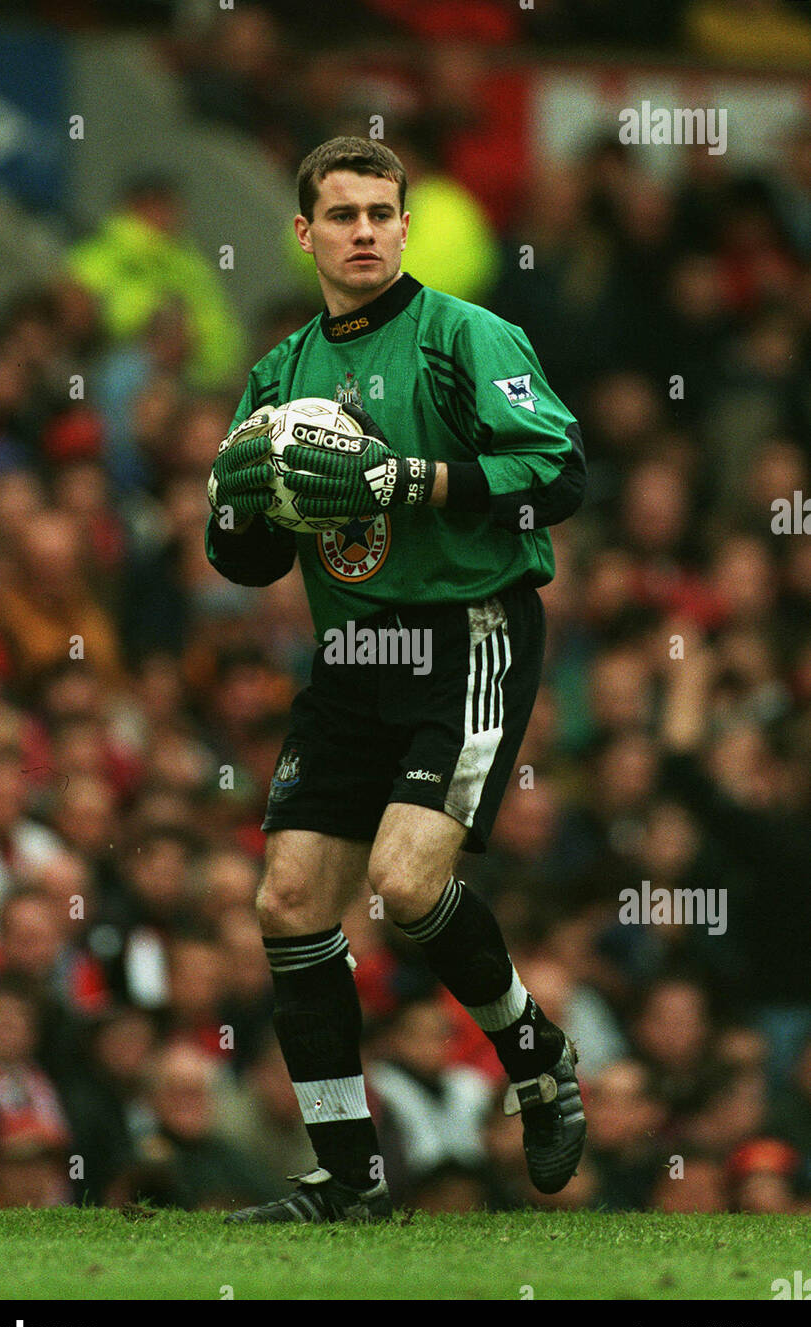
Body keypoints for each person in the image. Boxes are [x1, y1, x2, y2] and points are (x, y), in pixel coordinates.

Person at [205, 136, 587, 1224]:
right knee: (285, 900)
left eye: (381, 210)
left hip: (466, 632)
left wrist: (413, 478)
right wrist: (232, 512)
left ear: (406, 225)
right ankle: (349, 1178)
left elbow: (556, 476)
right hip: (352, 653)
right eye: (342, 214)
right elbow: (251, 561)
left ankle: (536, 1054)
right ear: (304, 232)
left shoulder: (465, 334)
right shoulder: (278, 374)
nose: (363, 230)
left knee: (408, 882)